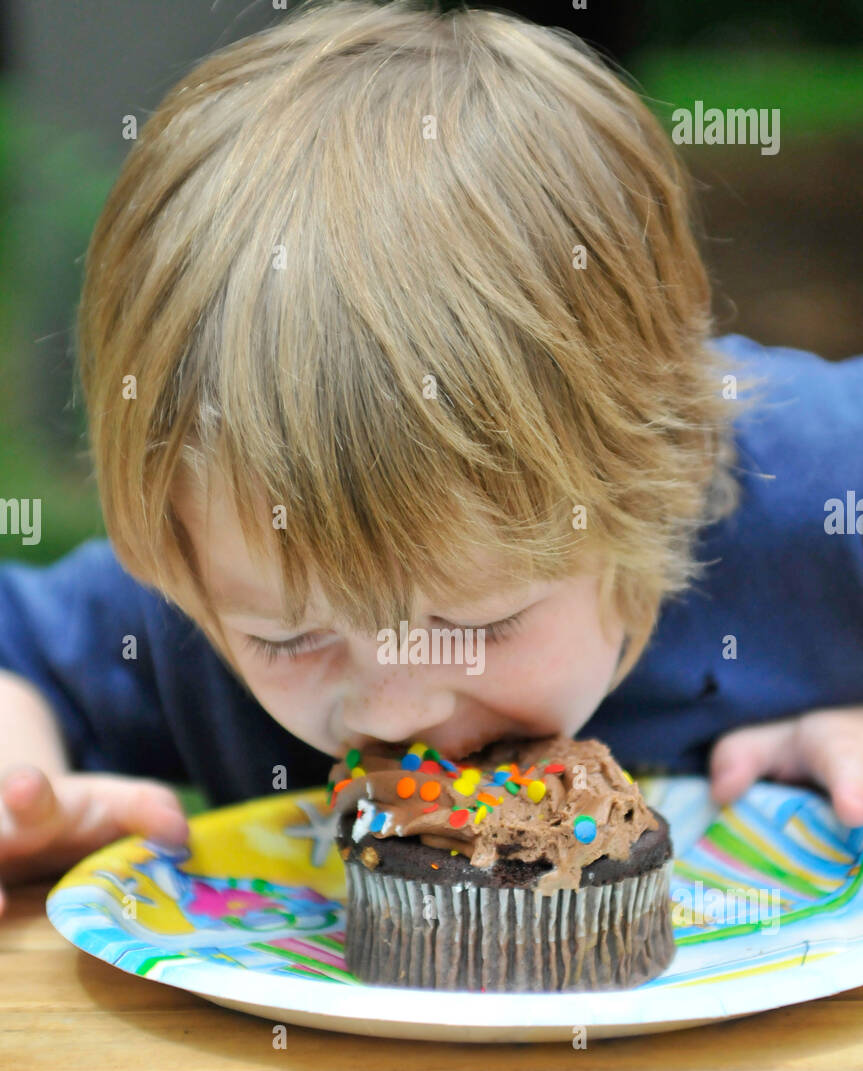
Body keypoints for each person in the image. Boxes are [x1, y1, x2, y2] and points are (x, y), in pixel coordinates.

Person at [1, 0, 861, 915]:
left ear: (663, 470)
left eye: (481, 620)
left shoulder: (817, 485)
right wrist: (22, 792)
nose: (392, 709)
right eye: (288, 639)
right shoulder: (217, 574)